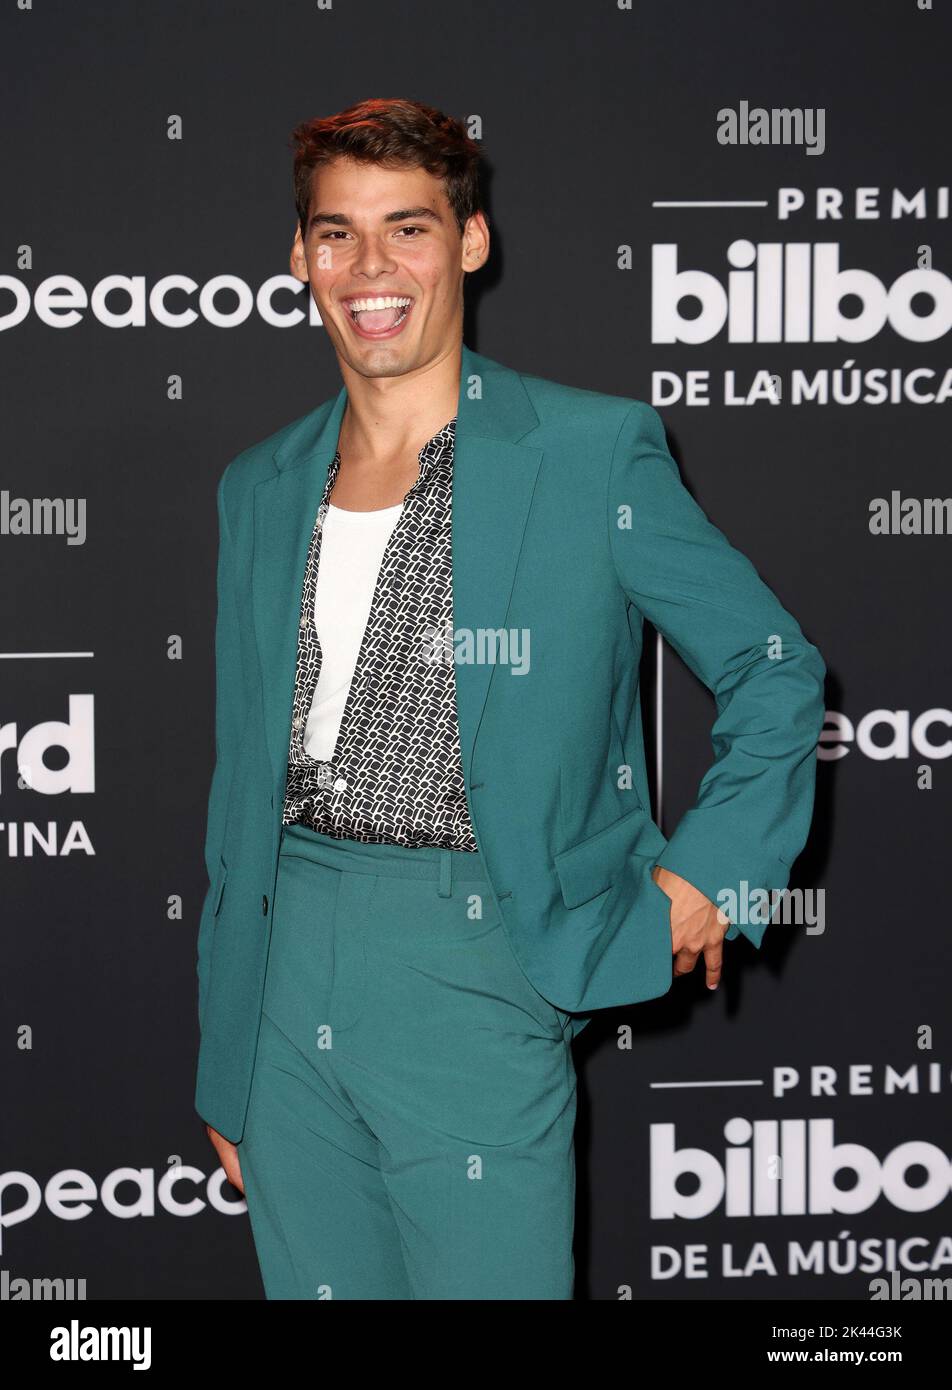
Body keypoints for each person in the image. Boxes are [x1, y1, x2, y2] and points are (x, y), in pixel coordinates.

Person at [195, 97, 826, 1300]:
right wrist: (229, 1050)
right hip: (281, 972)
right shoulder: (259, 484)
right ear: (299, 259)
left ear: (470, 244)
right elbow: (240, 778)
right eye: (338, 234)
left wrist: (714, 872)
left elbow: (773, 667)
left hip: (475, 962)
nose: (370, 269)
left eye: (408, 230)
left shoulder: (588, 455)